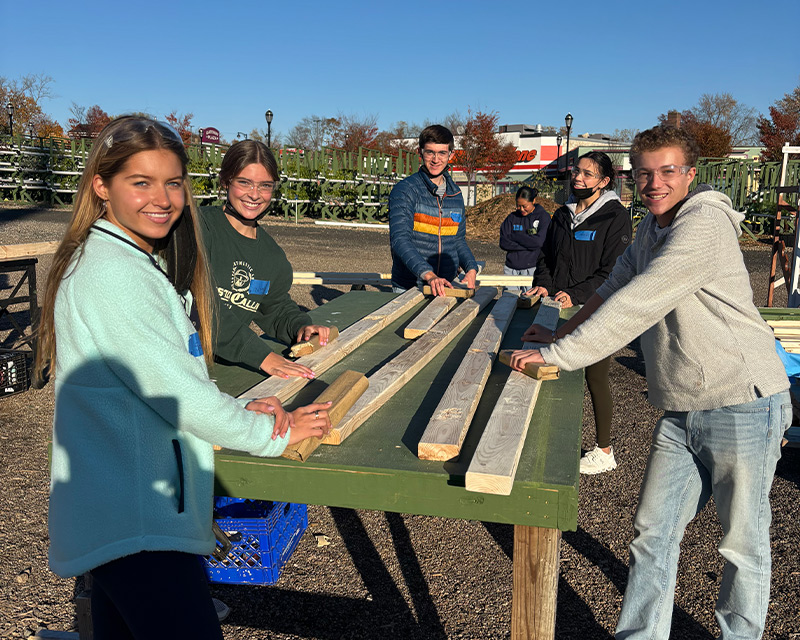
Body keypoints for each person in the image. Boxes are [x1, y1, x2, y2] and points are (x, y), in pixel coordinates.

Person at [35, 116, 331, 640]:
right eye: (140, 182)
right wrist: (270, 433)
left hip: (124, 506)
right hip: (137, 517)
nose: (163, 198)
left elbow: (167, 371)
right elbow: (174, 392)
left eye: (173, 182)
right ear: (101, 186)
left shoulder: (127, 259)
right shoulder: (114, 274)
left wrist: (239, 409)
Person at [510, 125, 790, 639]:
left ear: (689, 174)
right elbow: (618, 281)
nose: (655, 182)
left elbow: (641, 301)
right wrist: (563, 327)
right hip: (683, 407)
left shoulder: (702, 225)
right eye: (645, 173)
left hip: (742, 401)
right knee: (652, 534)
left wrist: (558, 355)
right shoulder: (653, 225)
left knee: (742, 544)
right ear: (633, 176)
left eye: (667, 171)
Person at [526, 151, 631, 474]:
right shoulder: (562, 214)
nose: (578, 178)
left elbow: (613, 270)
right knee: (552, 369)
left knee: (595, 376)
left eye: (587, 174)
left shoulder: (614, 217)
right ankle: (543, 441)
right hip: (557, 306)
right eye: (576, 171)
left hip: (594, 307)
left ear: (604, 181)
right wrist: (544, 284)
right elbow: (545, 256)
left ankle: (604, 450)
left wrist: (576, 293)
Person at [199, 139, 329, 379]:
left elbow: (274, 307)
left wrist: (301, 326)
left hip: (216, 368)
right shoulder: (199, 228)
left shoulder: (272, 257)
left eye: (265, 186)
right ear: (226, 181)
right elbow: (201, 308)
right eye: (244, 183)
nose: (255, 195)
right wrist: (261, 356)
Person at [389, 124, 479, 296]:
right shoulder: (406, 190)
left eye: (442, 153)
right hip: (409, 286)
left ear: (451, 155)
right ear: (420, 152)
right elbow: (400, 240)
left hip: (446, 286)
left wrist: (471, 267)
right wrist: (429, 275)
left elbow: (458, 241)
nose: (436, 159)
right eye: (430, 152)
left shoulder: (456, 195)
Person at [498, 185, 550, 296]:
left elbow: (539, 242)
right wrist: (528, 244)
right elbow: (503, 242)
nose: (521, 209)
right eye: (518, 206)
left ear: (533, 201)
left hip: (532, 268)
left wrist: (515, 236)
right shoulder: (511, 218)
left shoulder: (543, 217)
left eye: (524, 206)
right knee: (509, 299)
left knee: (530, 301)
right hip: (511, 269)